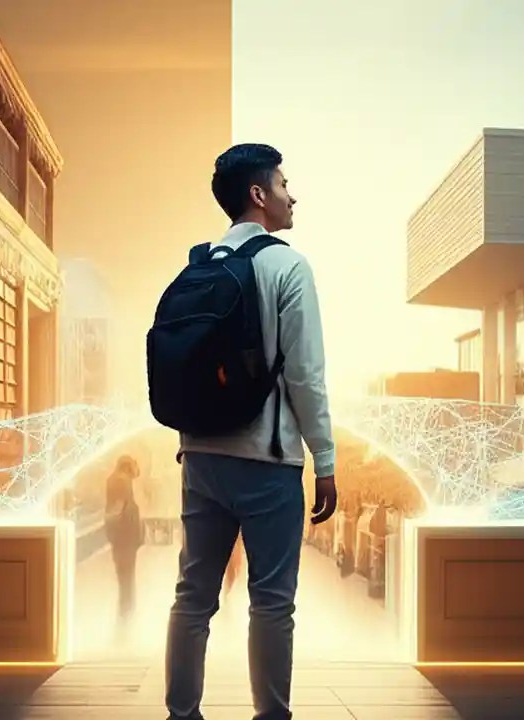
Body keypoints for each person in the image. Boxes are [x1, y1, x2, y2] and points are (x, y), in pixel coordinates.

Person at [164, 143, 338, 720]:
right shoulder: (287, 266)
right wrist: (327, 461)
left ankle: (182, 714)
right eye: (285, 184)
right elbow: (307, 376)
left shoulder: (199, 266)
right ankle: (271, 716)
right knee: (270, 603)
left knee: (193, 597)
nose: (294, 195)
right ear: (259, 195)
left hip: (201, 458)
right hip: (267, 463)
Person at [103, 455, 144, 621]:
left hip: (122, 536)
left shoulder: (117, 479)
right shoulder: (121, 481)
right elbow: (118, 507)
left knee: (125, 575)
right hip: (124, 536)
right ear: (128, 466)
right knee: (126, 575)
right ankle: (126, 613)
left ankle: (126, 610)